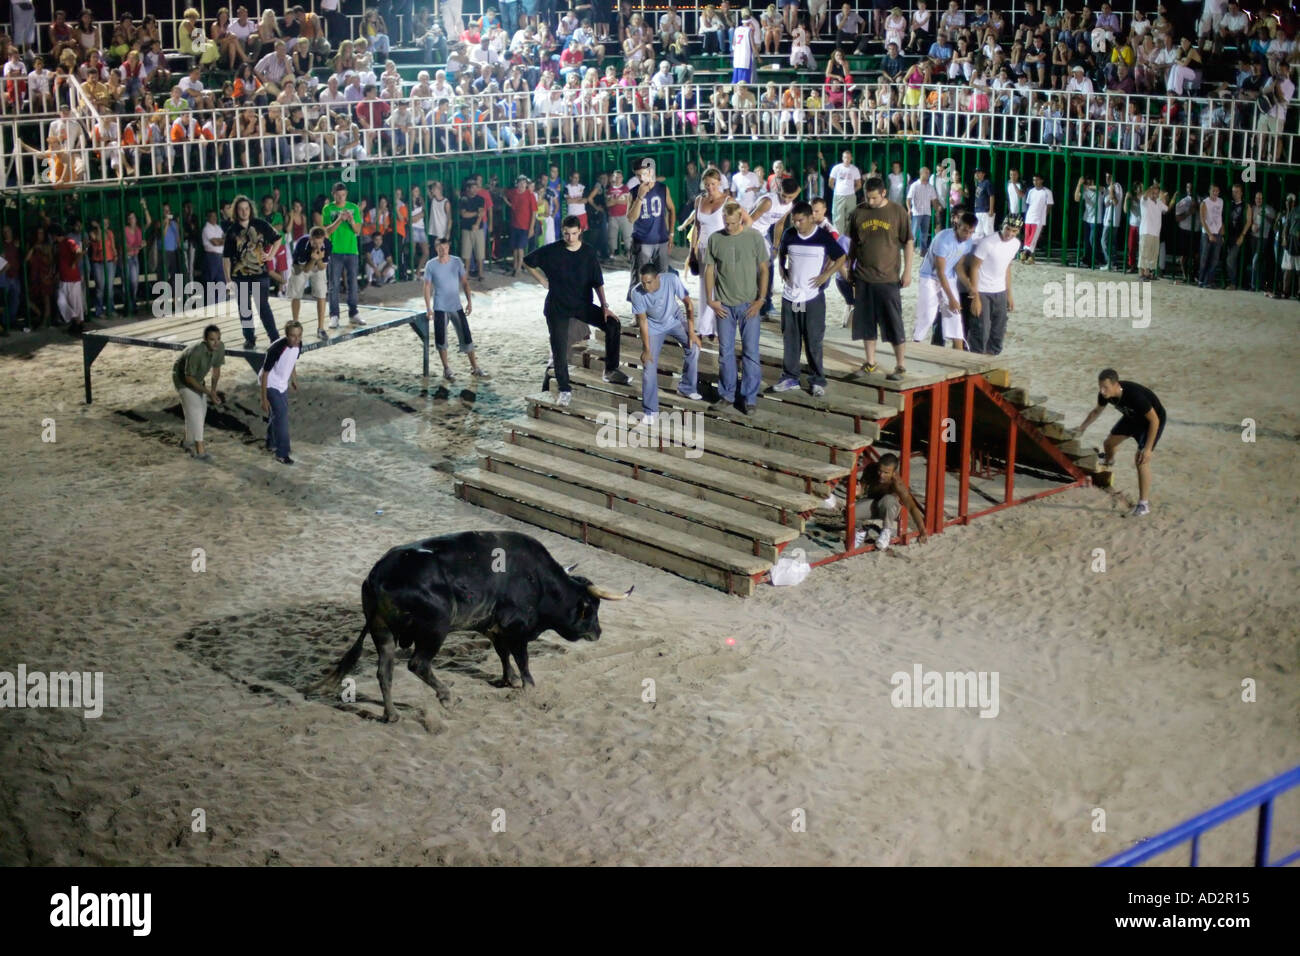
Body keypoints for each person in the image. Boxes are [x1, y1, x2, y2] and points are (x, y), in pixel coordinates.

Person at [524, 216, 629, 406]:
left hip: (581, 305)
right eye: (566, 234)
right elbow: (528, 261)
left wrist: (605, 307)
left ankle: (611, 370)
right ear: (562, 231)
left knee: (613, 324)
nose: (570, 238)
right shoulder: (552, 250)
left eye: (573, 233)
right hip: (557, 307)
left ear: (580, 231)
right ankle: (564, 389)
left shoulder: (588, 252)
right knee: (559, 348)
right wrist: (542, 281)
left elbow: (598, 281)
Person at [770, 201, 845, 397]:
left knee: (813, 339)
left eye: (800, 220)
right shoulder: (789, 234)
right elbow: (782, 253)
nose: (797, 224)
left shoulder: (823, 237)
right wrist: (782, 268)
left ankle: (817, 380)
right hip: (792, 297)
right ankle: (790, 377)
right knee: (791, 337)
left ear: (811, 218)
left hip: (812, 298)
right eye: (794, 221)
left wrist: (826, 275)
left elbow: (841, 257)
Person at [702, 201, 769, 414]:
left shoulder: (754, 237)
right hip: (724, 305)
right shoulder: (715, 239)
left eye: (732, 222)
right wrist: (710, 299)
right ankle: (727, 395)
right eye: (726, 222)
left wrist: (761, 299)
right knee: (725, 353)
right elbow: (709, 270)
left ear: (741, 218)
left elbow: (764, 269)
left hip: (749, 304)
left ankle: (749, 399)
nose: (729, 227)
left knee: (751, 352)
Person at [1075, 368, 1166, 518]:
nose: (1102, 391)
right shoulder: (1104, 395)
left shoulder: (1134, 396)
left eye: (1105, 387)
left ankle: (1143, 505)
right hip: (1133, 418)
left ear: (1116, 385)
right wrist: (1082, 428)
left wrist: (1148, 449)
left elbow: (1154, 420)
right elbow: (1096, 411)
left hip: (1152, 421)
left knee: (1141, 459)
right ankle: (1108, 463)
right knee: (1108, 444)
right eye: (1100, 387)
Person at [848, 176, 913, 381]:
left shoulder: (898, 212)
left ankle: (900, 365)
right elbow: (853, 244)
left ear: (884, 193)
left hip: (888, 277)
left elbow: (908, 241)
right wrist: (850, 268)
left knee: (894, 323)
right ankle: (870, 362)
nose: (871, 201)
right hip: (863, 277)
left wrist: (908, 271)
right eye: (868, 197)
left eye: (874, 198)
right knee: (866, 323)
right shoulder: (858, 212)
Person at [629, 263, 703, 425]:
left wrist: (692, 332)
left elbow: (689, 304)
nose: (646, 286)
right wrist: (646, 349)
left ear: (658, 278)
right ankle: (650, 411)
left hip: (674, 319)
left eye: (649, 282)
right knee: (648, 364)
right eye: (643, 283)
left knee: (694, 346)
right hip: (653, 327)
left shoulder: (671, 280)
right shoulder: (636, 293)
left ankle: (687, 388)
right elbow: (643, 322)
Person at [422, 234, 488, 381]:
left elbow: (464, 282)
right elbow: (426, 286)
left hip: (456, 305)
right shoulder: (431, 265)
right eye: (440, 247)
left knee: (466, 335)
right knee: (441, 338)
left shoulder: (457, 262)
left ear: (448, 247)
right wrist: (428, 308)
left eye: (445, 247)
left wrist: (469, 301)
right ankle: (446, 368)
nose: (443, 250)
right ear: (436, 248)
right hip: (440, 306)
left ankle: (475, 367)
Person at [223, 194, 282, 350]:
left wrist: (271, 255)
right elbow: (226, 257)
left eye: (246, 208)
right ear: (236, 211)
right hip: (239, 276)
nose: (244, 212)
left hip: (259, 274)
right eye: (241, 209)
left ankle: (274, 338)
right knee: (245, 309)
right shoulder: (232, 230)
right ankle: (249, 338)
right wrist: (228, 279)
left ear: (250, 209)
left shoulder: (260, 224)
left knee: (263, 307)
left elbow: (277, 238)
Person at [913, 212, 977, 349]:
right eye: (965, 230)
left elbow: (958, 266)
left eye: (971, 232)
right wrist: (951, 298)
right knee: (928, 315)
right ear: (957, 226)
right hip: (929, 277)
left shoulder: (968, 242)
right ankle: (915, 344)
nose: (967, 235)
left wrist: (968, 285)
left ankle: (958, 353)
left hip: (949, 276)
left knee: (955, 316)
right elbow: (939, 272)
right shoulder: (943, 239)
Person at [967, 214, 1021, 354]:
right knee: (981, 330)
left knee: (999, 330)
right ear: (1002, 226)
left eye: (1014, 231)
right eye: (1007, 229)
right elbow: (974, 267)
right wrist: (975, 297)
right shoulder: (987, 242)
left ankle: (991, 359)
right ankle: (975, 359)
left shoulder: (1016, 244)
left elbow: (1007, 268)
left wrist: (1009, 295)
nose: (1009, 234)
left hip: (1000, 290)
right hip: (983, 290)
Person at [853, 452, 927, 551]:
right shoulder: (871, 469)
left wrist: (922, 530)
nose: (881, 475)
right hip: (874, 504)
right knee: (851, 511)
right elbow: (862, 489)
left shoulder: (897, 483)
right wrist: (858, 492)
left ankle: (886, 531)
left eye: (886, 473)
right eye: (880, 471)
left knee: (888, 500)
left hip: (890, 510)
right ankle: (861, 531)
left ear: (894, 473)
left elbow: (912, 507)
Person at [172, 324, 225, 462]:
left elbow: (216, 371)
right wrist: (208, 392)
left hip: (198, 379)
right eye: (212, 339)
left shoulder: (220, 347)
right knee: (196, 412)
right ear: (205, 340)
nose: (216, 342)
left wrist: (213, 391)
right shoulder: (197, 351)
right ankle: (200, 451)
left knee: (201, 410)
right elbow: (188, 378)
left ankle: (187, 441)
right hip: (182, 379)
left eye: (218, 339)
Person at [260, 320, 303, 465]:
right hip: (270, 383)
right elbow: (265, 374)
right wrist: (264, 399)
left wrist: (294, 379)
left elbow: (292, 361)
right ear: (287, 335)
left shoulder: (299, 345)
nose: (296, 339)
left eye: (299, 336)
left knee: (277, 415)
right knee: (282, 417)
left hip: (282, 384)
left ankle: (271, 443)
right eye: (293, 336)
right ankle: (282, 453)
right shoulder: (276, 349)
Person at [323, 182, 362, 329]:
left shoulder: (354, 207)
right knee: (334, 284)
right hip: (335, 250)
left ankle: (353, 313)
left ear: (346, 194)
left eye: (343, 195)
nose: (341, 198)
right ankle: (334, 315)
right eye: (338, 195)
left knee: (353, 283)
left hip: (351, 250)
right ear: (333, 195)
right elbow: (327, 231)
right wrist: (339, 219)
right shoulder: (328, 209)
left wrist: (351, 220)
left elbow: (357, 230)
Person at [628, 157, 676, 273]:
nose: (641, 178)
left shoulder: (662, 189)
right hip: (641, 242)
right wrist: (640, 197)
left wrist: (671, 233)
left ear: (651, 172)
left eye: (644, 174)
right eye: (638, 175)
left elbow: (672, 209)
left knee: (662, 277)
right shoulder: (633, 192)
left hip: (661, 240)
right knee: (640, 278)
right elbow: (631, 218)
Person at [289, 226, 332, 340]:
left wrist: (319, 259)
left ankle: (321, 329)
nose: (318, 246)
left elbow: (322, 267)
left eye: (320, 242)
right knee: (296, 294)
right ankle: (295, 325)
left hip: (317, 264)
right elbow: (305, 269)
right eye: (315, 243)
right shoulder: (302, 244)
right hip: (300, 267)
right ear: (310, 239)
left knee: (322, 293)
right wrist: (313, 259)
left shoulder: (327, 244)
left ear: (323, 239)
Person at [505, 175, 537, 275]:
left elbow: (534, 212)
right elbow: (504, 194)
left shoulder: (530, 195)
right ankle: (515, 266)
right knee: (515, 247)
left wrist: (531, 228)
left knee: (520, 248)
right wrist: (509, 204)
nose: (522, 185)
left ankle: (519, 268)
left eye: (524, 183)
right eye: (520, 182)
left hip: (525, 226)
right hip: (514, 225)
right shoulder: (513, 192)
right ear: (517, 184)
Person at [1137, 184, 1169, 282]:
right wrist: (1151, 188)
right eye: (1153, 192)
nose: (1154, 194)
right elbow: (1145, 196)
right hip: (1146, 231)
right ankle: (1141, 274)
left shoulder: (1158, 202)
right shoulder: (1145, 200)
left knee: (1152, 254)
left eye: (1157, 193)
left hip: (1156, 233)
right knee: (1144, 253)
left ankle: (1147, 273)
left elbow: (1166, 209)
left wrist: (1163, 197)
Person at [905, 166, 940, 255]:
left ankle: (923, 251)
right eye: (926, 173)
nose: (928, 174)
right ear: (921, 173)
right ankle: (910, 250)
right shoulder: (914, 185)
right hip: (917, 212)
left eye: (928, 173)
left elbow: (934, 200)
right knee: (913, 232)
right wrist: (909, 209)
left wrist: (936, 210)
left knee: (924, 233)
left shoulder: (930, 187)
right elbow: (908, 198)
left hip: (926, 212)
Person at [827, 149, 861, 236]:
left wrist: (851, 191)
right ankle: (838, 239)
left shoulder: (855, 169)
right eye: (845, 157)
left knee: (850, 218)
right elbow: (830, 182)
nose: (847, 159)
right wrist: (837, 190)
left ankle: (848, 240)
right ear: (842, 158)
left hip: (850, 196)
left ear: (851, 158)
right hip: (839, 196)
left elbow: (859, 184)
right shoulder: (836, 168)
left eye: (848, 157)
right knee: (837, 219)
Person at [1021, 172, 1053, 264]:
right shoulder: (1031, 191)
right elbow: (1029, 204)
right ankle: (1029, 256)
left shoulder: (1047, 192)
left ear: (1042, 180)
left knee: (1033, 237)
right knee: (1028, 236)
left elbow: (1049, 205)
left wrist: (1044, 215)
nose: (1035, 182)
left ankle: (1025, 252)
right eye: (1034, 180)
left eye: (1037, 180)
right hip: (1029, 217)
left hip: (1039, 218)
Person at [1198, 182, 1224, 288]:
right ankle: (1201, 280)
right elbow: (1202, 220)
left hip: (1217, 232)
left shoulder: (1221, 201)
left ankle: (1208, 281)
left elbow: (1220, 217)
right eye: (1213, 191)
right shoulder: (1205, 203)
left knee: (1215, 259)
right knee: (1204, 258)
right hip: (1207, 233)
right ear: (1209, 191)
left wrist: (1221, 232)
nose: (1215, 193)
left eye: (1217, 191)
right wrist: (1209, 234)